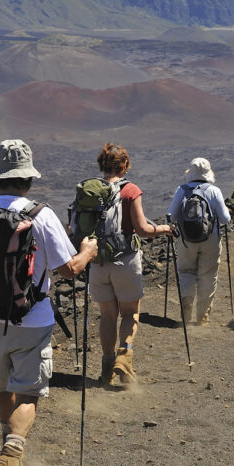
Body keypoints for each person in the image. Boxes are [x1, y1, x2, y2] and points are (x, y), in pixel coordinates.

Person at [0, 139, 98, 466]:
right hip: (32, 317)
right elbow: (67, 271)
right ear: (28, 179)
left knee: (2, 387)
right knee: (29, 392)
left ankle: (7, 452)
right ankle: (9, 460)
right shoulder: (41, 215)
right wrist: (88, 252)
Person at [86, 142, 175, 386]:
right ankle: (123, 358)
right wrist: (166, 229)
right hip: (125, 260)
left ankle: (106, 366)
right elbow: (143, 229)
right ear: (124, 166)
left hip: (97, 261)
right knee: (129, 312)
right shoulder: (130, 190)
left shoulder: (90, 191)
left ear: (102, 165)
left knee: (106, 315)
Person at [166, 156, 232, 325]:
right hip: (211, 239)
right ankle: (203, 316)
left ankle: (186, 308)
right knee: (208, 275)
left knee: (186, 271)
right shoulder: (214, 190)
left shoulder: (182, 190)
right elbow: (225, 219)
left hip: (186, 241)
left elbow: (171, 216)